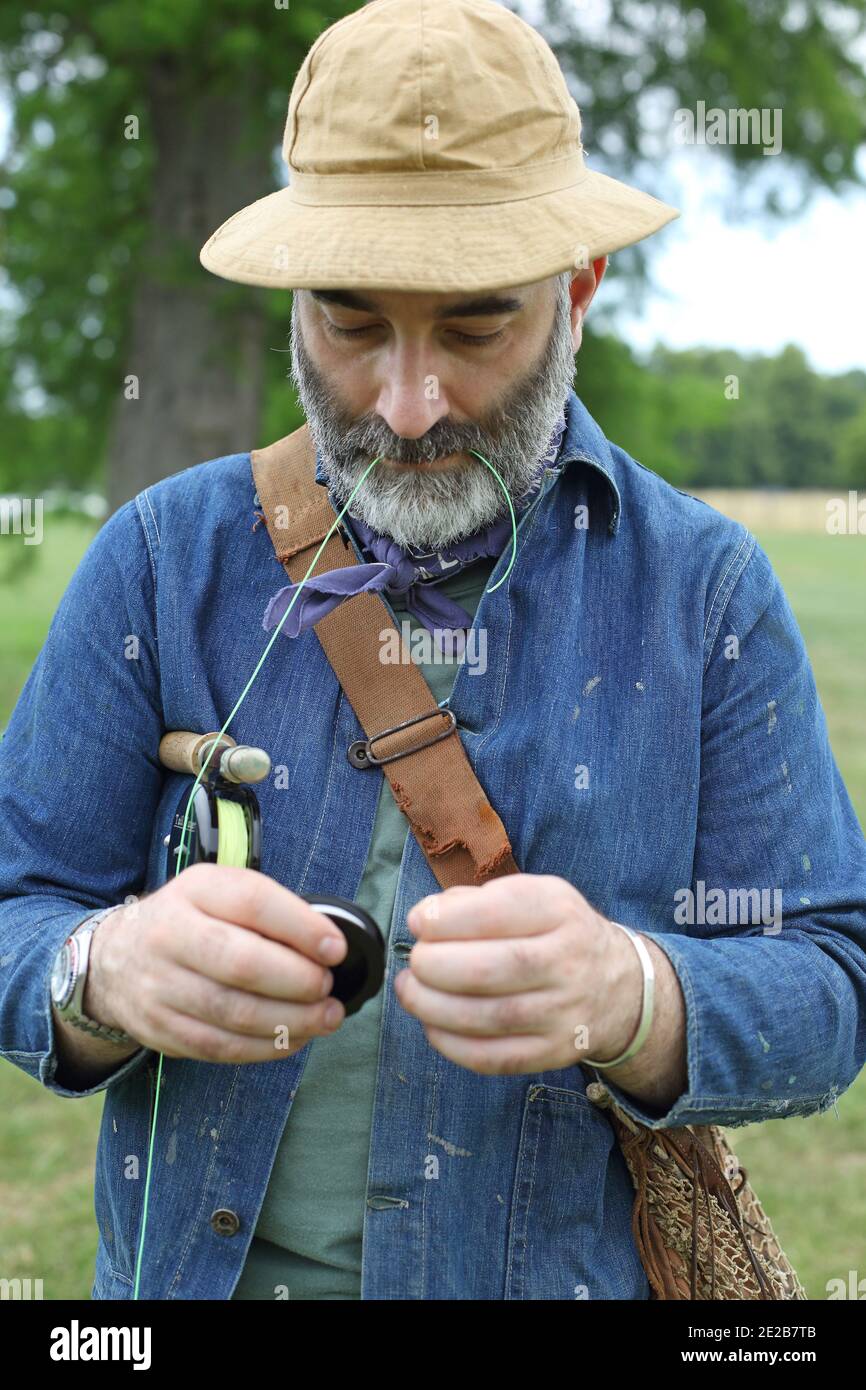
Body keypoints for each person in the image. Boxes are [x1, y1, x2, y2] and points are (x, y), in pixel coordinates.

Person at [1, 0, 864, 1303]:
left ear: (576, 291)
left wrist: (637, 995)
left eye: (473, 328)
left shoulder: (707, 592)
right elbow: (18, 902)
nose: (406, 406)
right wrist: (97, 971)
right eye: (350, 326)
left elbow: (832, 983)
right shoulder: (158, 559)